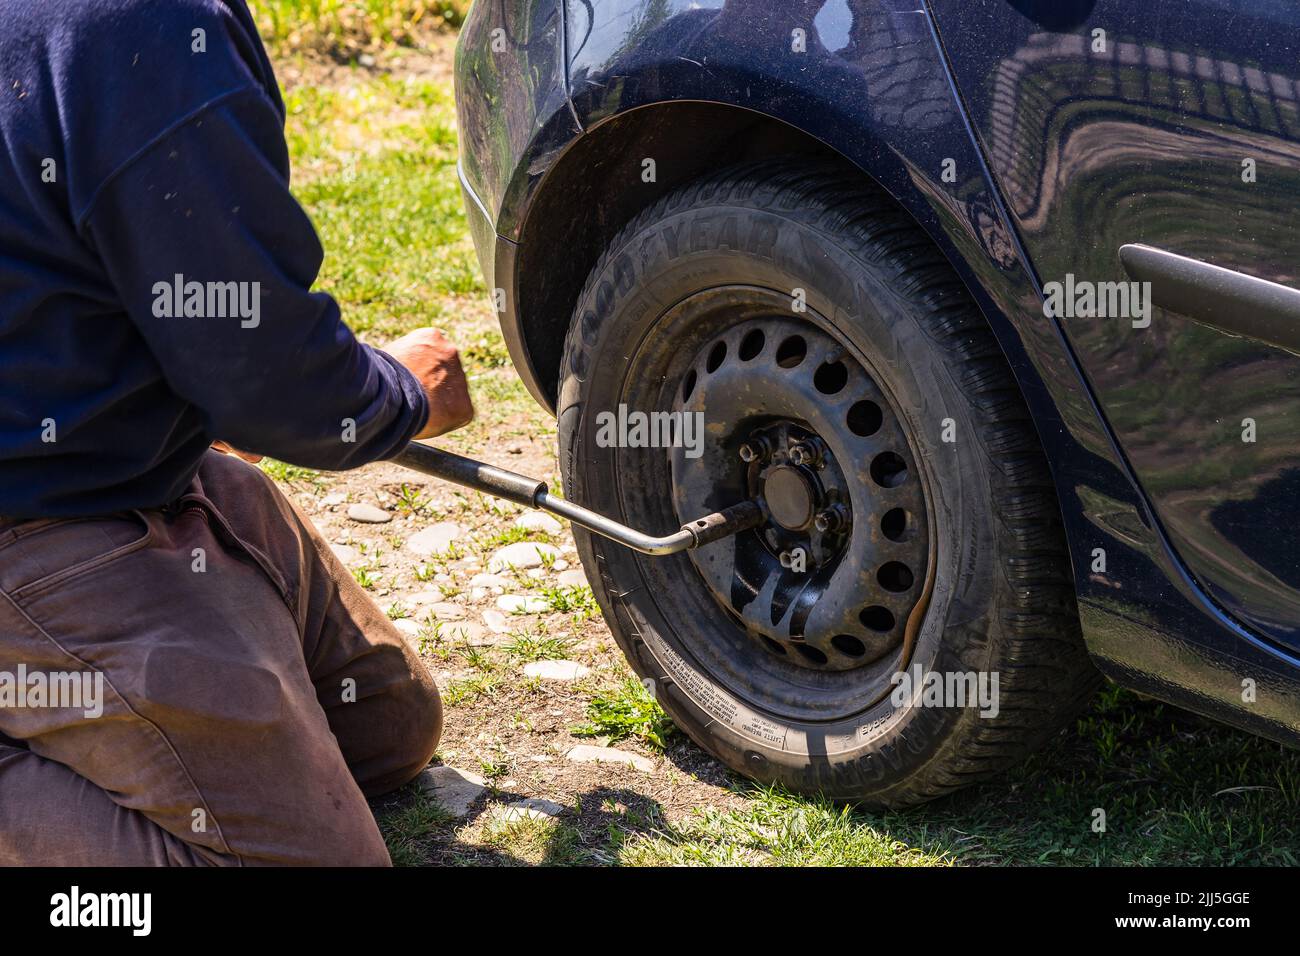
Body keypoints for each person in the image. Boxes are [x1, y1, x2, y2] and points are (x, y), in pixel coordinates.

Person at [0, 0, 474, 864]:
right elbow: (264, 371)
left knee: (383, 725)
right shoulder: (136, 23)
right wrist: (399, 392)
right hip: (35, 516)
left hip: (120, 460)